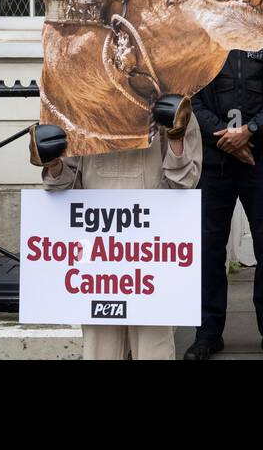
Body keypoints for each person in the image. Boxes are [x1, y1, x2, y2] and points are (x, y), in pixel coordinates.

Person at [31, 95, 202, 360]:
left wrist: (176, 138)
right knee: (101, 348)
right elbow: (64, 187)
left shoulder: (174, 101)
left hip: (153, 251)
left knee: (153, 348)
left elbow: (184, 185)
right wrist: (52, 163)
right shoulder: (79, 105)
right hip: (96, 252)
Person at [184, 0, 263, 361]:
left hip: (261, 159)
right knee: (208, 249)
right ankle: (207, 333)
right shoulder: (203, 41)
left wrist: (250, 132)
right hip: (214, 163)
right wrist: (222, 137)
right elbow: (191, 96)